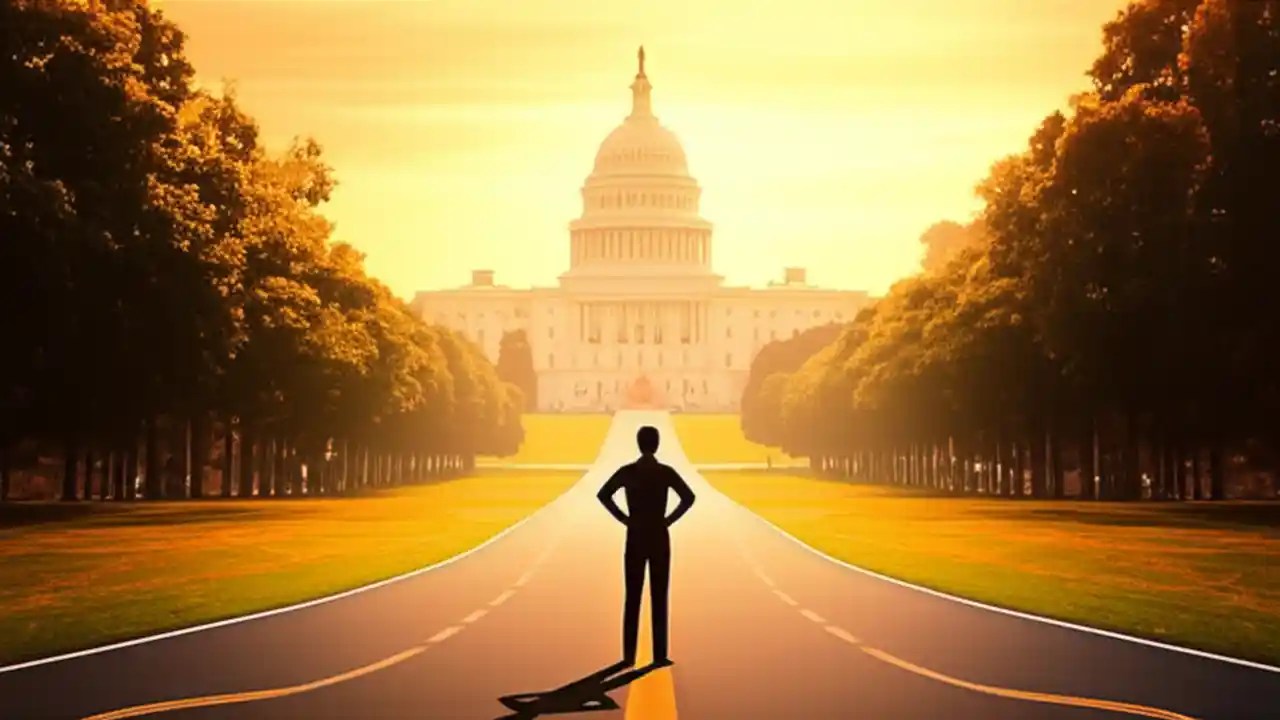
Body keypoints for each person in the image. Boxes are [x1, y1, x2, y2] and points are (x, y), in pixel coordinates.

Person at [597, 426, 696, 668]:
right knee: (659, 595)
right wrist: (669, 520)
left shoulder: (629, 472)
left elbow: (603, 495)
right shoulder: (665, 472)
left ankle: (628, 655)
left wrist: (624, 518)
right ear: (657, 444)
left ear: (639, 444)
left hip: (635, 535)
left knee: (632, 596)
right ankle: (659, 654)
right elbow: (689, 497)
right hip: (659, 535)